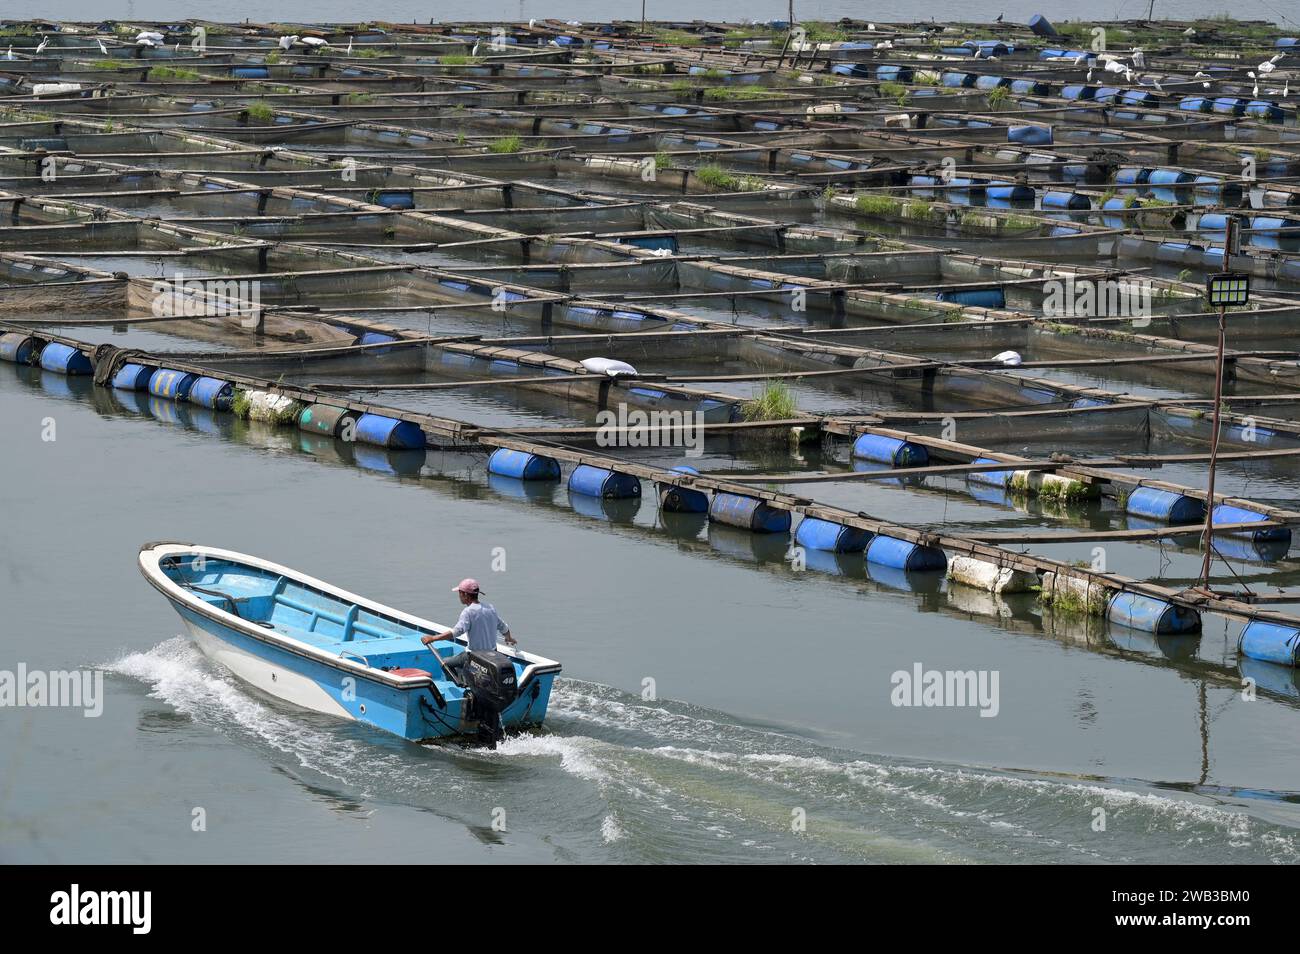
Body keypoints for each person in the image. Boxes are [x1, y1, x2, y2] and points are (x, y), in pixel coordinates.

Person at [421, 579, 516, 682]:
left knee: (445, 663)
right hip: (493, 655)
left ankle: (460, 684)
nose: (459, 596)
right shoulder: (490, 608)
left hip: (474, 657)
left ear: (465, 594)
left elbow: (457, 632)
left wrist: (433, 638)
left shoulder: (468, 612)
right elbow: (503, 627)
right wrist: (509, 638)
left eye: (459, 593)